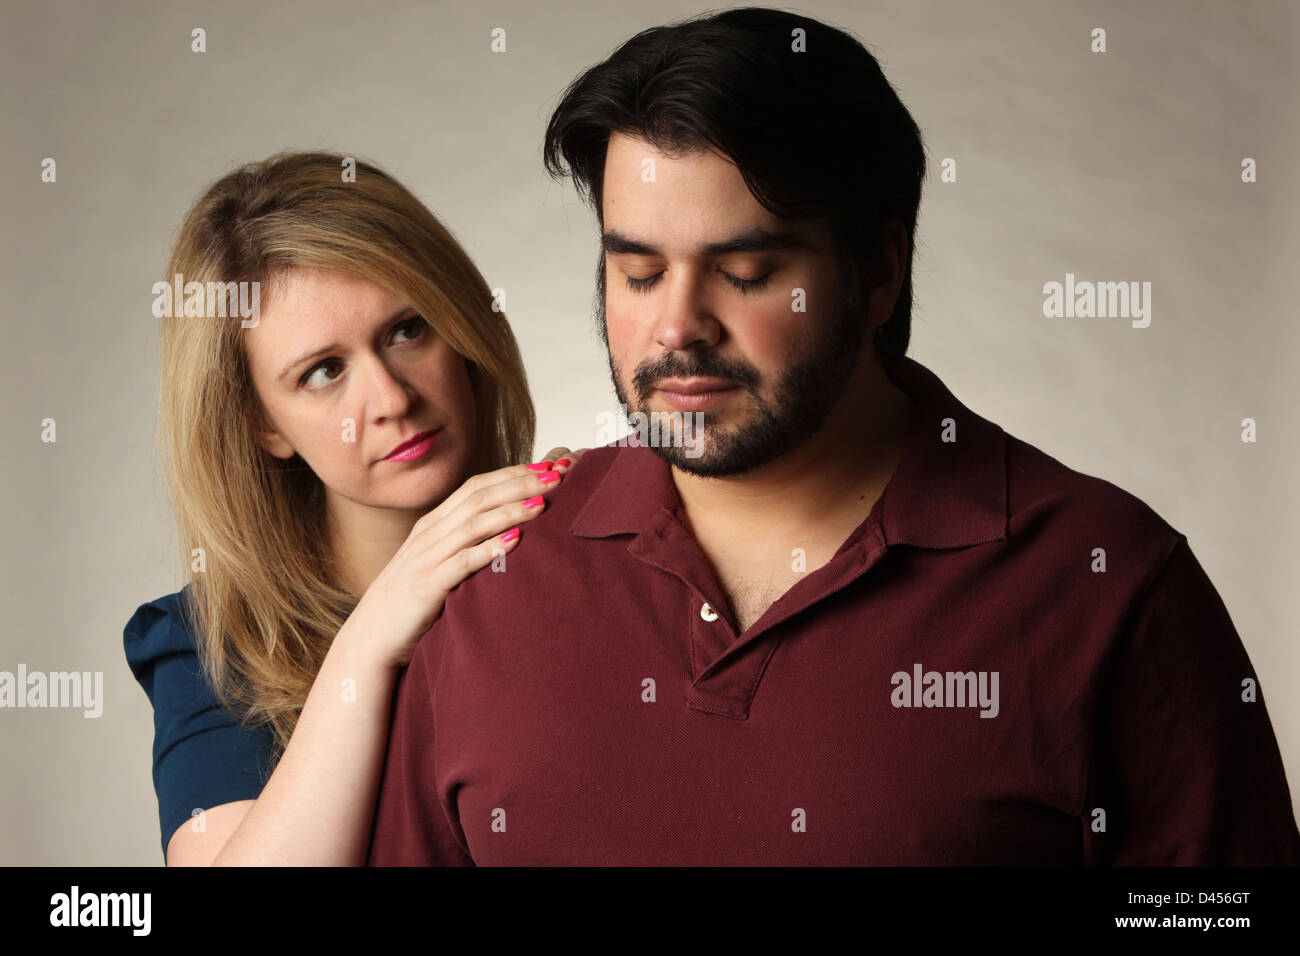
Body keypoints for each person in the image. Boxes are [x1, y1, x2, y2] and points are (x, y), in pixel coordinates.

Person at [366, 7, 1300, 865]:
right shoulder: (495, 564)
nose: (678, 326)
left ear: (879, 271)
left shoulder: (1107, 582)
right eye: (640, 273)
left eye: (747, 269)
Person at [123, 150, 585, 865]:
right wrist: (365, 646)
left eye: (407, 330)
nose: (393, 400)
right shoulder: (215, 647)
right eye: (323, 372)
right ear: (263, 424)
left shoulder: (583, 544)